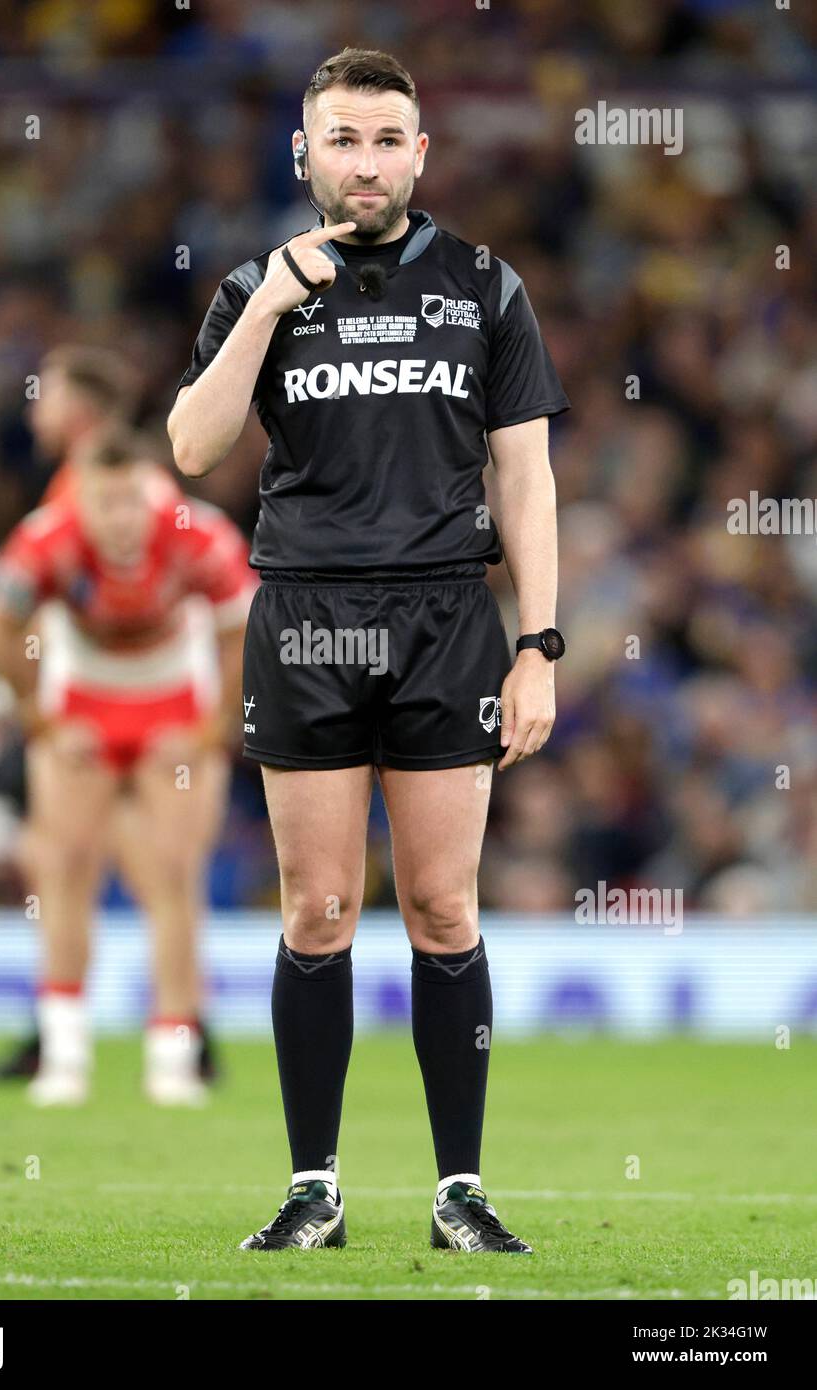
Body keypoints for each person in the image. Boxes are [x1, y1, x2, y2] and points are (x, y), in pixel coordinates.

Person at [168, 48, 570, 1250]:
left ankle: (459, 1192)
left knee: (444, 908)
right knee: (320, 908)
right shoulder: (252, 286)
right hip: (303, 615)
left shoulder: (484, 286)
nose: (365, 163)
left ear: (419, 155)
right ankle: (313, 1189)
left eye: (386, 140)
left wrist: (539, 643)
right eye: (341, 139)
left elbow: (525, 479)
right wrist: (269, 306)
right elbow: (192, 447)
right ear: (304, 153)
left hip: (449, 616)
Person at [0, 426, 256, 1106]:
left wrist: (209, 734)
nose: (121, 519)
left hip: (173, 705)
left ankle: (173, 1058)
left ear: (154, 494)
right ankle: (64, 1057)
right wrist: (40, 723)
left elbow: (246, 637)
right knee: (64, 868)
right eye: (106, 503)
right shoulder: (46, 536)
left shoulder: (201, 535)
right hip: (81, 706)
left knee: (174, 877)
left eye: (132, 501)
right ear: (82, 500)